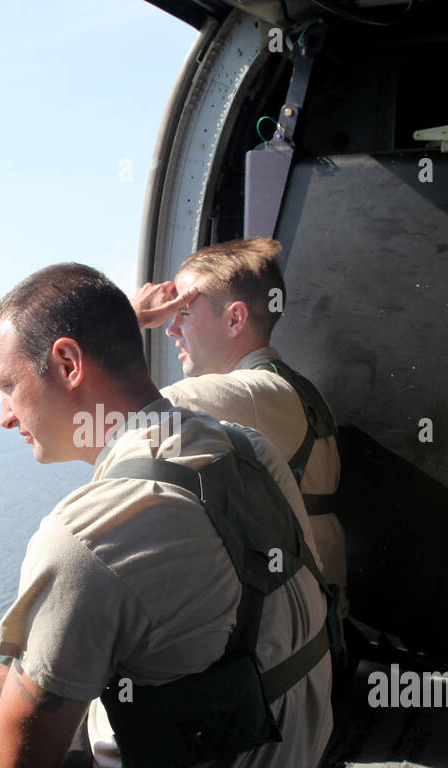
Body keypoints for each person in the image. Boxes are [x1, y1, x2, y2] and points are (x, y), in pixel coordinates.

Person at [0, 262, 333, 768]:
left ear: (68, 363)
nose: (5, 416)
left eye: (7, 386)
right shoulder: (248, 450)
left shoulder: (85, 535)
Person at [132, 238, 347, 620]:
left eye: (183, 312)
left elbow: (108, 420)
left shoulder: (250, 394)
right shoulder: (292, 389)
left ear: (234, 319)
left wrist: (131, 322)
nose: (169, 329)